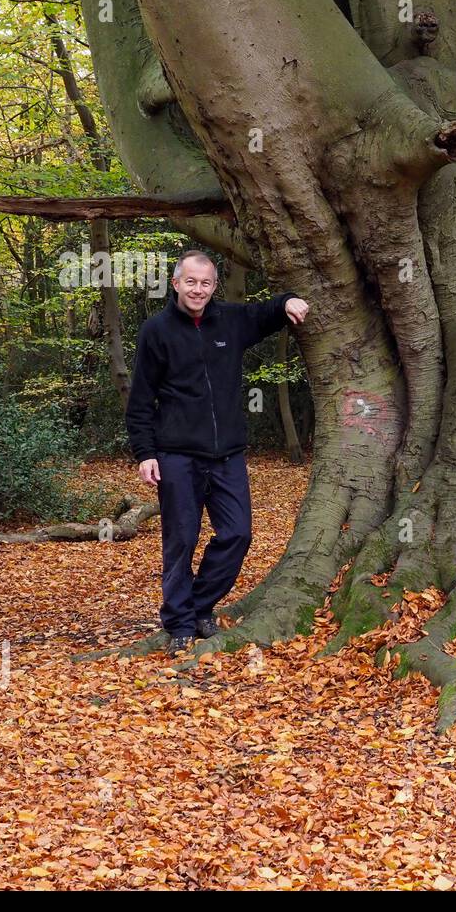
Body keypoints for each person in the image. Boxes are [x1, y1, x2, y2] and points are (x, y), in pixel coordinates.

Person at [125, 250, 309, 657]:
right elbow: (140, 400)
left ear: (214, 286)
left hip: (226, 455)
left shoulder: (229, 321)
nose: (198, 289)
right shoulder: (156, 330)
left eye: (206, 283)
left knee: (238, 533)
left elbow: (267, 312)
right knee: (181, 539)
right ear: (175, 284)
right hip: (176, 457)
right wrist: (145, 453)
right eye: (190, 282)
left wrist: (289, 300)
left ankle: (200, 604)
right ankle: (179, 623)